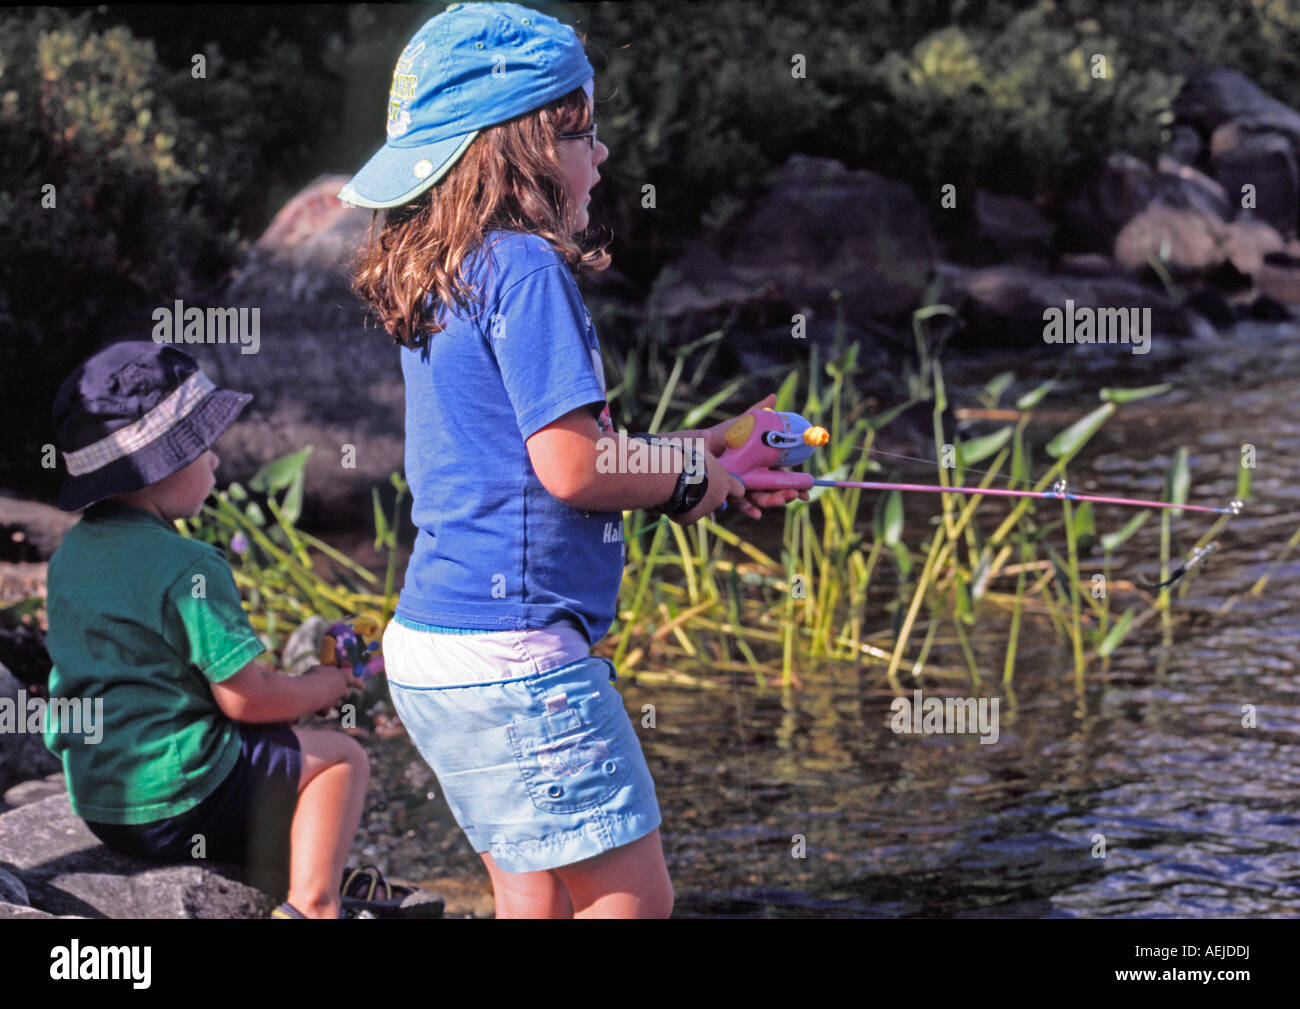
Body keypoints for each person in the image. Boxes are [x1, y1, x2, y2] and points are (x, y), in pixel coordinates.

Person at [342, 2, 805, 918]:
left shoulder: (449, 270)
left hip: (436, 649)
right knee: (633, 899)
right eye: (588, 131)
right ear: (530, 144)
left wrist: (711, 450)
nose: (602, 156)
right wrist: (688, 480)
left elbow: (533, 454)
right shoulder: (525, 267)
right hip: (518, 658)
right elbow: (570, 468)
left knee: (537, 897)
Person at [43, 341, 395, 919]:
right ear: (162, 466)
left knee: (269, 767)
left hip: (105, 805)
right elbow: (247, 699)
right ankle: (314, 905)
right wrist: (322, 687)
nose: (214, 461)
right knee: (340, 759)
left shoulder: (70, 558)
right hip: (180, 799)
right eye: (201, 447)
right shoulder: (188, 567)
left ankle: (281, 871)